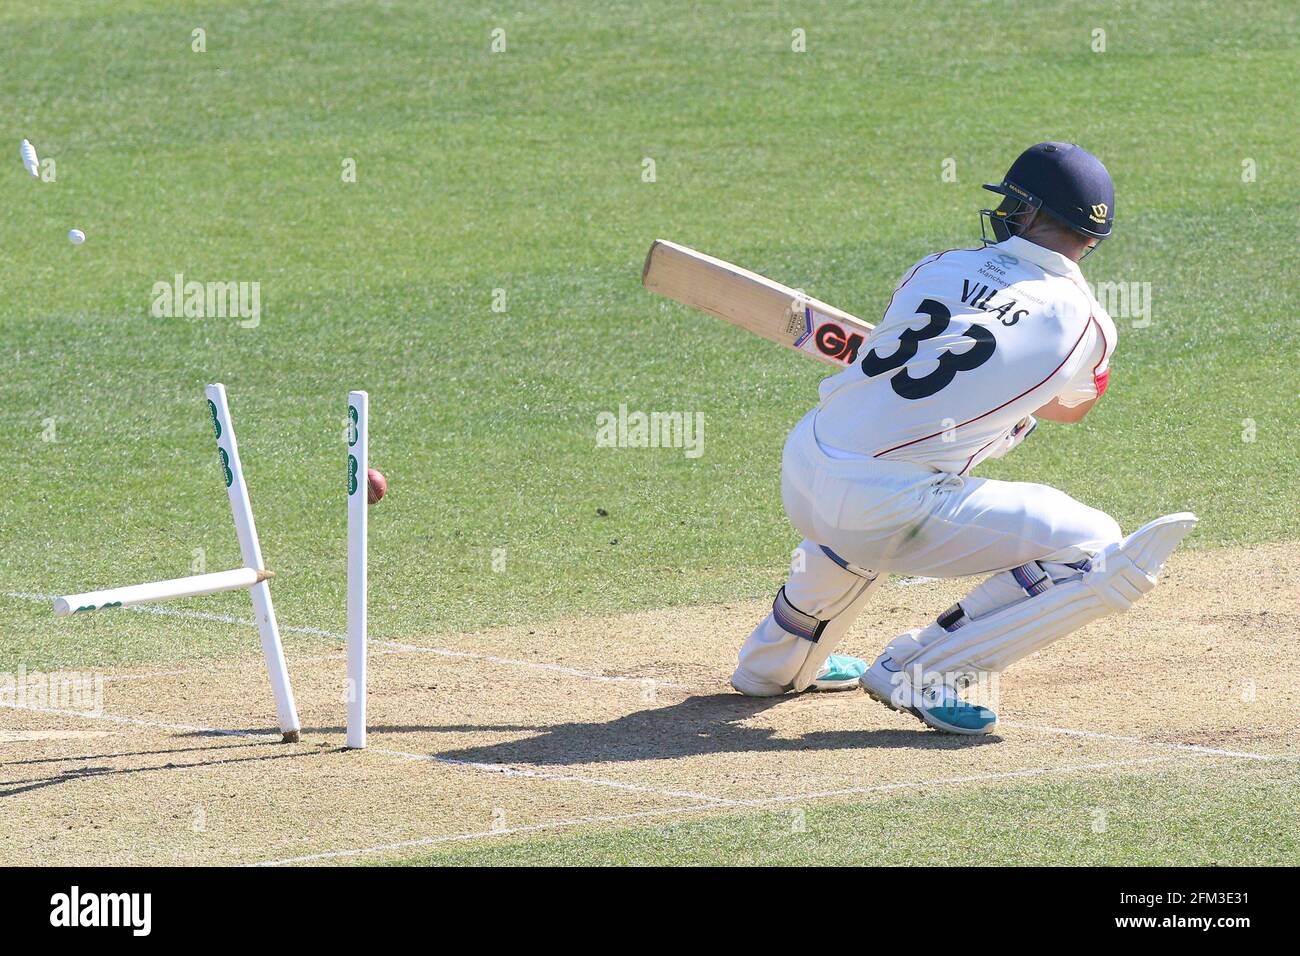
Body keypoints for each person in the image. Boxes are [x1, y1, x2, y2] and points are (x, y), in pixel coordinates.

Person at [731, 142, 1196, 734]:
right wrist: (1013, 412)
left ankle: (774, 663)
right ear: (1091, 238)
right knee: (1096, 546)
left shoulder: (937, 265)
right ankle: (922, 670)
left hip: (803, 466)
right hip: (884, 510)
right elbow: (1068, 410)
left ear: (1028, 213)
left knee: (877, 473)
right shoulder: (1088, 324)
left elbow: (914, 359)